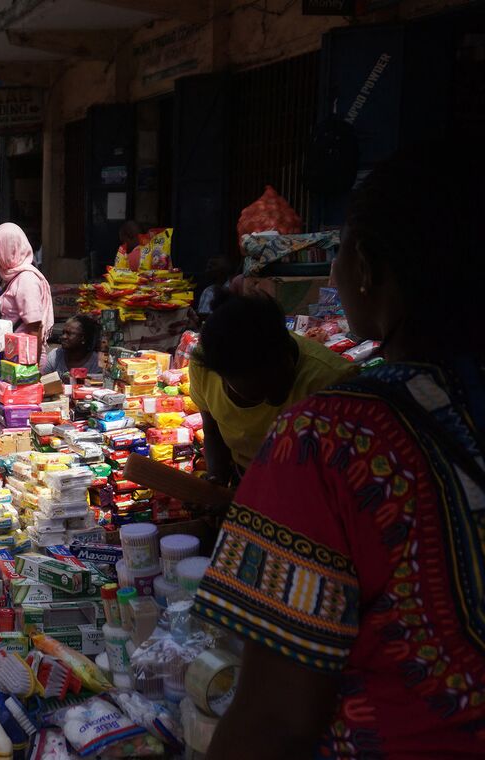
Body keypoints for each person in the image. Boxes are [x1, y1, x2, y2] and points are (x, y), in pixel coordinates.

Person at [195, 144, 485, 757]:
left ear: (370, 269)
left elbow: (274, 718)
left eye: (341, 253)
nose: (330, 276)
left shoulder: (330, 436)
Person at [189, 293, 356, 487]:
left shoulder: (333, 382)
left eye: (277, 383)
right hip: (247, 477)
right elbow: (212, 432)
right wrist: (216, 481)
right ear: (223, 377)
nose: (273, 401)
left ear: (286, 356)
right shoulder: (205, 366)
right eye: (258, 394)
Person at [0, 222, 55, 354]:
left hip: (22, 360)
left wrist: (31, 369)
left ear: (8, 248)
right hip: (11, 354)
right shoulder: (11, 276)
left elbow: (34, 328)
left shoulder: (26, 280)